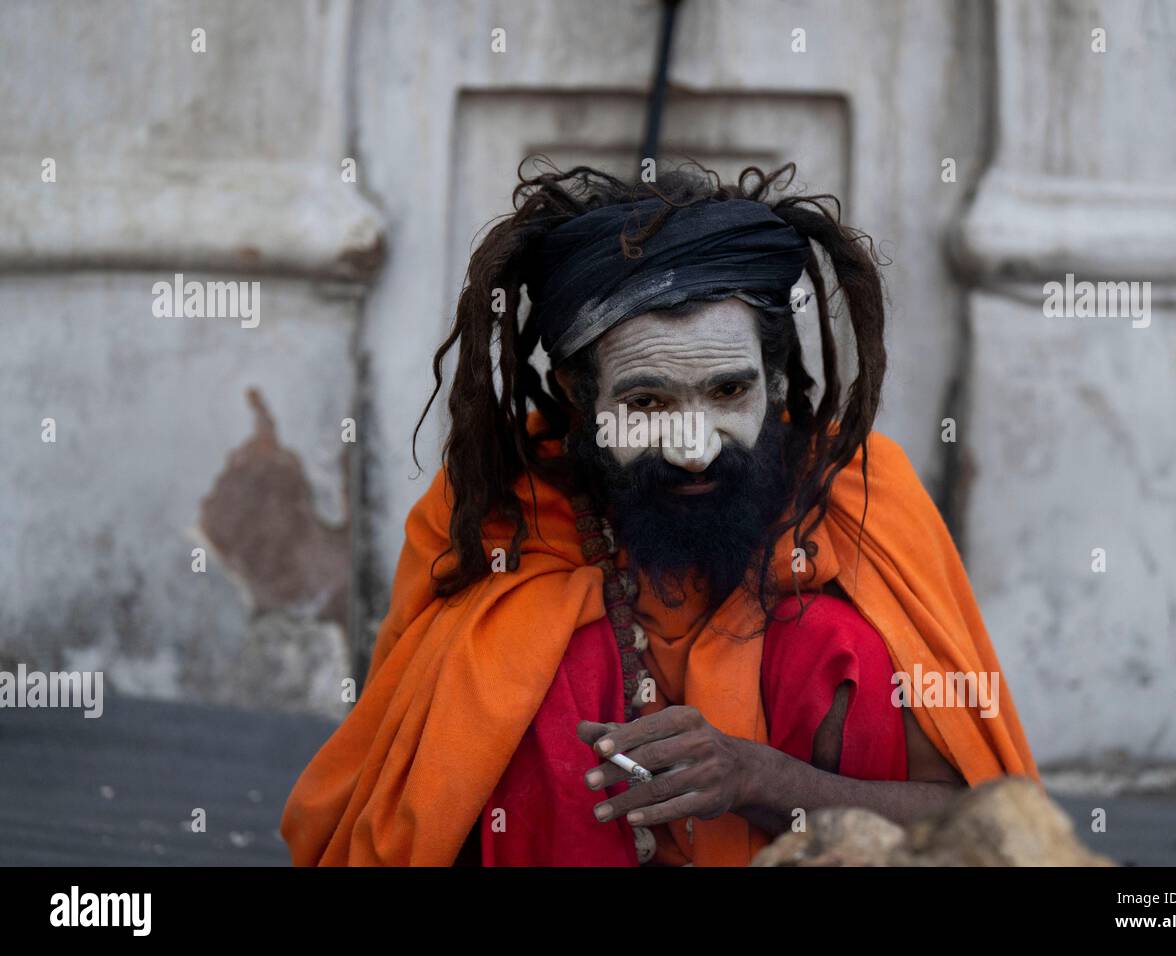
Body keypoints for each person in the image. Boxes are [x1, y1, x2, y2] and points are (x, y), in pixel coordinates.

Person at [281, 161, 1038, 866]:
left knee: (838, 645)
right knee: (518, 661)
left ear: (774, 384)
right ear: (580, 396)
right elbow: (404, 803)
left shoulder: (859, 502)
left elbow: (973, 821)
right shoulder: (499, 519)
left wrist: (760, 778)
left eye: (728, 393)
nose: (695, 449)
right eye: (646, 402)